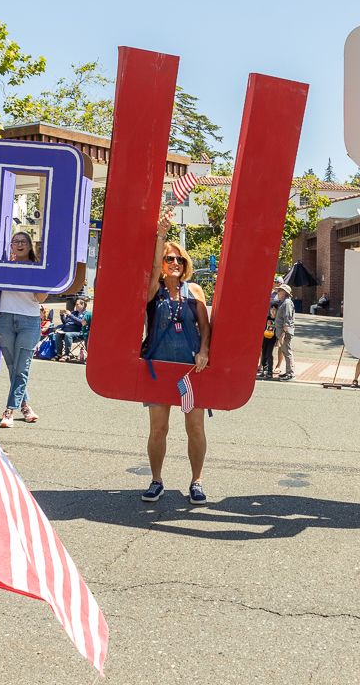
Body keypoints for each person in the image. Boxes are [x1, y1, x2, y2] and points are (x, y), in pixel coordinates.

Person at [140, 214, 212, 504]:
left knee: (195, 427)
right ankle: (156, 480)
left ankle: (196, 481)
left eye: (179, 260)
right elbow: (153, 269)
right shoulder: (153, 290)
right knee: (158, 428)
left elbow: (206, 327)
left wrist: (204, 350)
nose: (174, 264)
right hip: (158, 366)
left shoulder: (193, 290)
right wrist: (161, 235)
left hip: (190, 370)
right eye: (170, 259)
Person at [0, 231, 46, 428]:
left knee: (22, 368)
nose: (19, 244)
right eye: (15, 241)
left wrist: (43, 281)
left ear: (30, 245)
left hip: (29, 320)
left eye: (23, 241)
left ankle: (9, 411)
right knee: (12, 368)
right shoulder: (4, 265)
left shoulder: (38, 267)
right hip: (4, 318)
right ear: (10, 245)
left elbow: (40, 299)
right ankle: (25, 406)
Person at [273, 284, 296, 380]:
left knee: (287, 352)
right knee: (285, 351)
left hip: (285, 332)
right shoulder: (283, 302)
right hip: (282, 332)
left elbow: (287, 319)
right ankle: (288, 371)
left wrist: (283, 333)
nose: (277, 292)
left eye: (279, 291)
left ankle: (290, 373)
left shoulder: (287, 303)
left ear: (285, 292)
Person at [258, 290, 279, 379]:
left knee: (269, 354)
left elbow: (278, 330)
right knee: (264, 354)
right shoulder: (267, 318)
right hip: (265, 338)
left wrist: (278, 340)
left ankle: (270, 371)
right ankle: (264, 369)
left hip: (272, 338)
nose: (273, 311)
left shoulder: (278, 320)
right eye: (272, 309)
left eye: (275, 309)